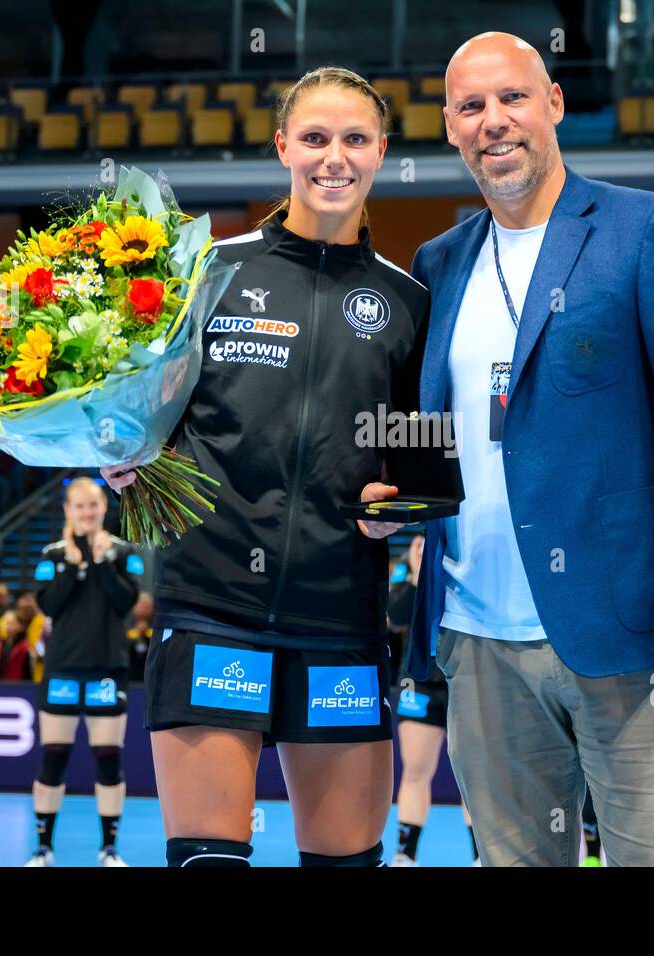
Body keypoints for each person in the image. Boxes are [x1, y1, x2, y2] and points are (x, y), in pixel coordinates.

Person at [406, 32, 654, 867]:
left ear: (555, 103)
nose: (495, 121)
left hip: (630, 637)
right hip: (476, 637)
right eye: (472, 106)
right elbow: (429, 439)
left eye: (513, 97)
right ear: (450, 128)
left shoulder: (649, 231)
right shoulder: (438, 263)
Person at [103, 66, 429, 869]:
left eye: (355, 139)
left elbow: (424, 462)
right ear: (283, 144)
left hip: (341, 620)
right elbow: (141, 418)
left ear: (381, 151)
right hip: (212, 602)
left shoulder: (409, 301)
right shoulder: (210, 272)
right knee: (210, 861)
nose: (334, 158)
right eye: (314, 138)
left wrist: (403, 508)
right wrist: (119, 458)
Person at [25, 478, 142, 868]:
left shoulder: (124, 552)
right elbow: (50, 606)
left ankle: (109, 848)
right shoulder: (52, 553)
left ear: (103, 508)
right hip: (61, 669)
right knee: (52, 759)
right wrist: (73, 567)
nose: (86, 513)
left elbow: (127, 601)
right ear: (67, 510)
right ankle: (43, 847)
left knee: (108, 759)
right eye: (78, 506)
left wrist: (99, 561)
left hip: (108, 670)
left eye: (92, 505)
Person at [389, 534, 478, 867]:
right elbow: (396, 616)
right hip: (421, 683)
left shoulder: (465, 555)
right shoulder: (407, 565)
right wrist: (415, 574)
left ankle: (480, 856)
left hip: (465, 679)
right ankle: (405, 854)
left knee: (473, 774)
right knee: (415, 771)